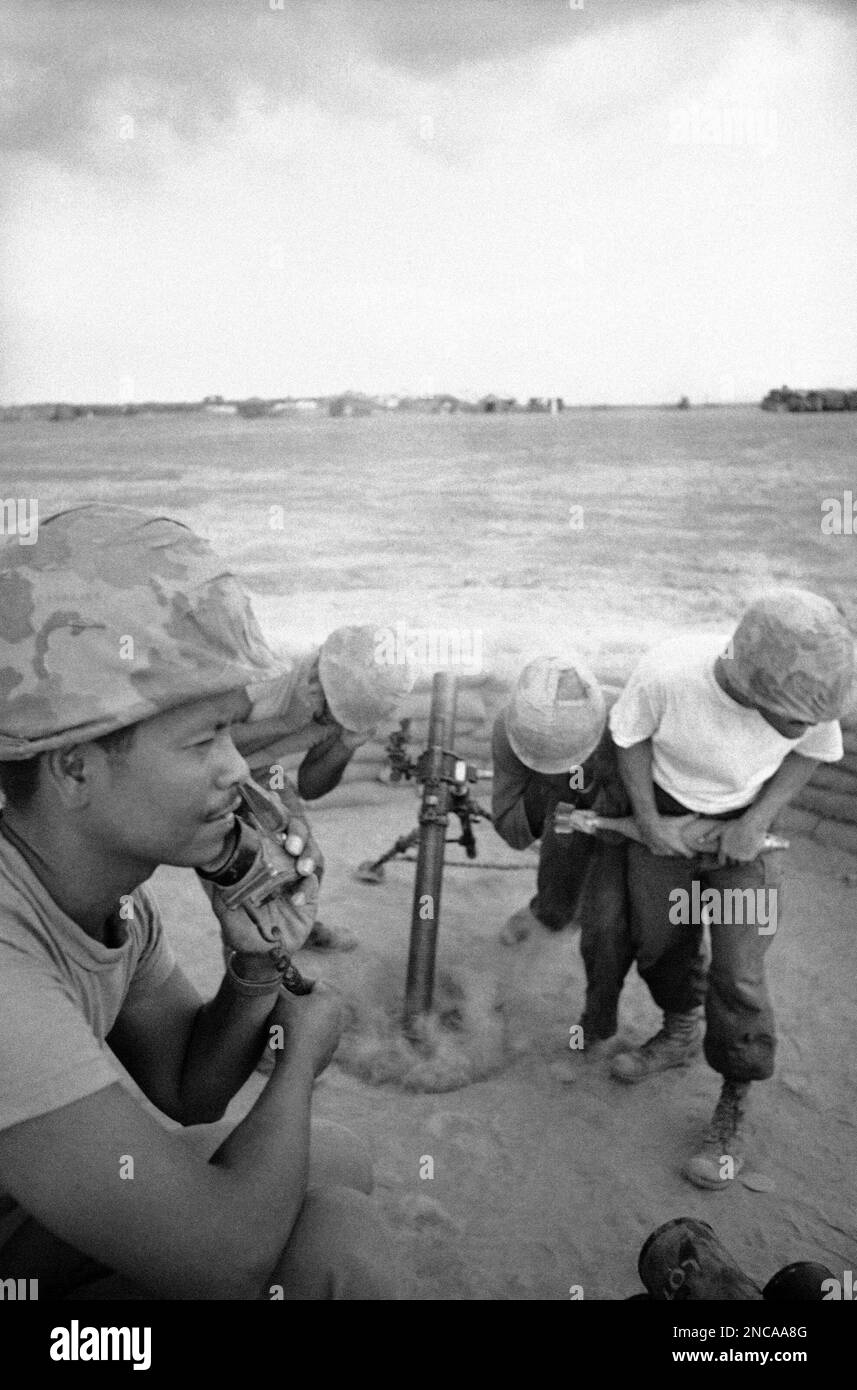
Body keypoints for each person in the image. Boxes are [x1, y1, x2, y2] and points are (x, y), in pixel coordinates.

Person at [0, 504, 398, 1299]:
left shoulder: (107, 897)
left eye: (231, 733)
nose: (237, 772)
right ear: (74, 769)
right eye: (201, 741)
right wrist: (297, 1070)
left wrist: (253, 965)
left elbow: (188, 1085)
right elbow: (224, 1259)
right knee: (338, 1248)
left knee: (341, 1158)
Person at [607, 589, 855, 1189]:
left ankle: (734, 1099)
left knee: (739, 972)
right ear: (751, 681)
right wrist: (647, 821)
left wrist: (756, 822)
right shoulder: (669, 673)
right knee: (660, 944)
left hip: (744, 831)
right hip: (668, 813)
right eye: (793, 717)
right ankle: (679, 1030)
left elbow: (812, 751)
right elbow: (629, 738)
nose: (804, 727)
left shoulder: (807, 698)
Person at [233, 625, 416, 950]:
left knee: (305, 862)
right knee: (246, 882)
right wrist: (288, 722)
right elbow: (205, 739)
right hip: (209, 765)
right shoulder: (267, 670)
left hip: (260, 769)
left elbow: (310, 786)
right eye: (331, 712)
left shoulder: (346, 700)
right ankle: (255, 973)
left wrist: (345, 745)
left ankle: (295, 930)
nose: (331, 718)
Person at [491, 655, 634, 1060]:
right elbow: (510, 827)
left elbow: (652, 813)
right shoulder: (510, 730)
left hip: (624, 817)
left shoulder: (627, 719)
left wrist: (608, 814)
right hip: (567, 809)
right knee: (558, 884)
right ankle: (551, 913)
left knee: (607, 923)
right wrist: (547, 786)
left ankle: (598, 1023)